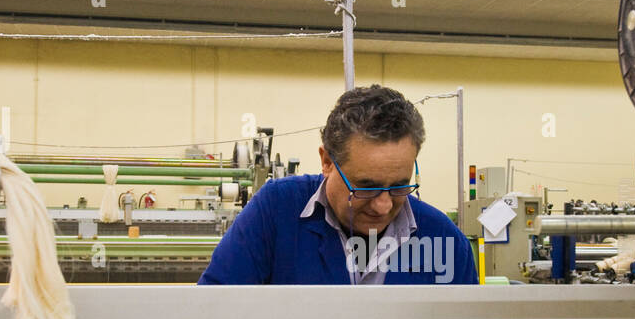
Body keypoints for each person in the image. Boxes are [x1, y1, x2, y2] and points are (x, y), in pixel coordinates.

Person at [200, 85, 478, 285]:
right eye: (366, 187)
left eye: (399, 186)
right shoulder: (275, 213)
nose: (383, 205)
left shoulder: (445, 241)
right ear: (327, 162)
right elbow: (211, 312)